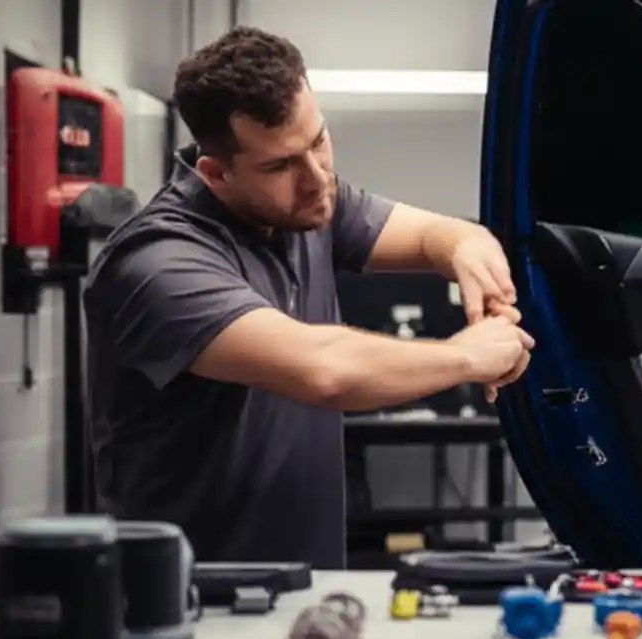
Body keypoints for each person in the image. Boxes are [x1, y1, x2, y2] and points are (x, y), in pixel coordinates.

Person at [83, 26, 533, 569]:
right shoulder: (159, 262)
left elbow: (433, 234)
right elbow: (323, 371)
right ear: (216, 173)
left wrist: (469, 248)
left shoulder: (308, 206)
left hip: (302, 587)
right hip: (191, 601)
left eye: (318, 141)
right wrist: (467, 355)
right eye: (280, 165)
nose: (317, 178)